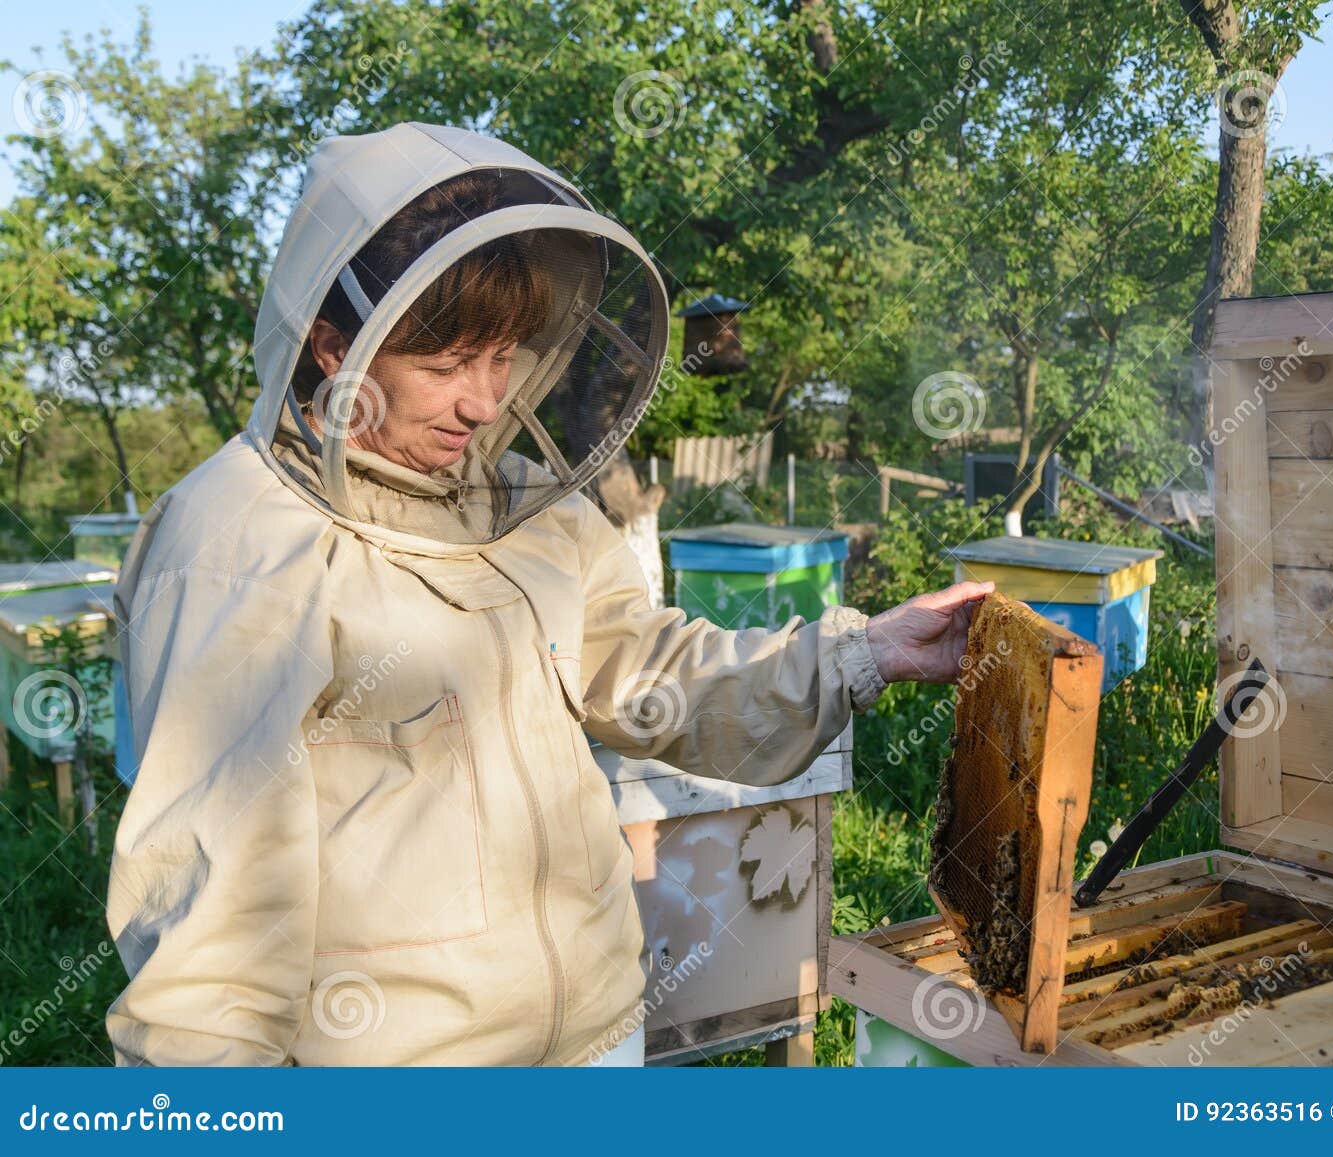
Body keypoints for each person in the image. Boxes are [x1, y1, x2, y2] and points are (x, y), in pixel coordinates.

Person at [105, 122, 991, 1067]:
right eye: (445, 367)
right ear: (332, 346)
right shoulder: (238, 544)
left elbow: (646, 671)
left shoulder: (519, 498)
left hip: (599, 1030)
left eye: (501, 359)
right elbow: (212, 922)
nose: (484, 403)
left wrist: (858, 653)